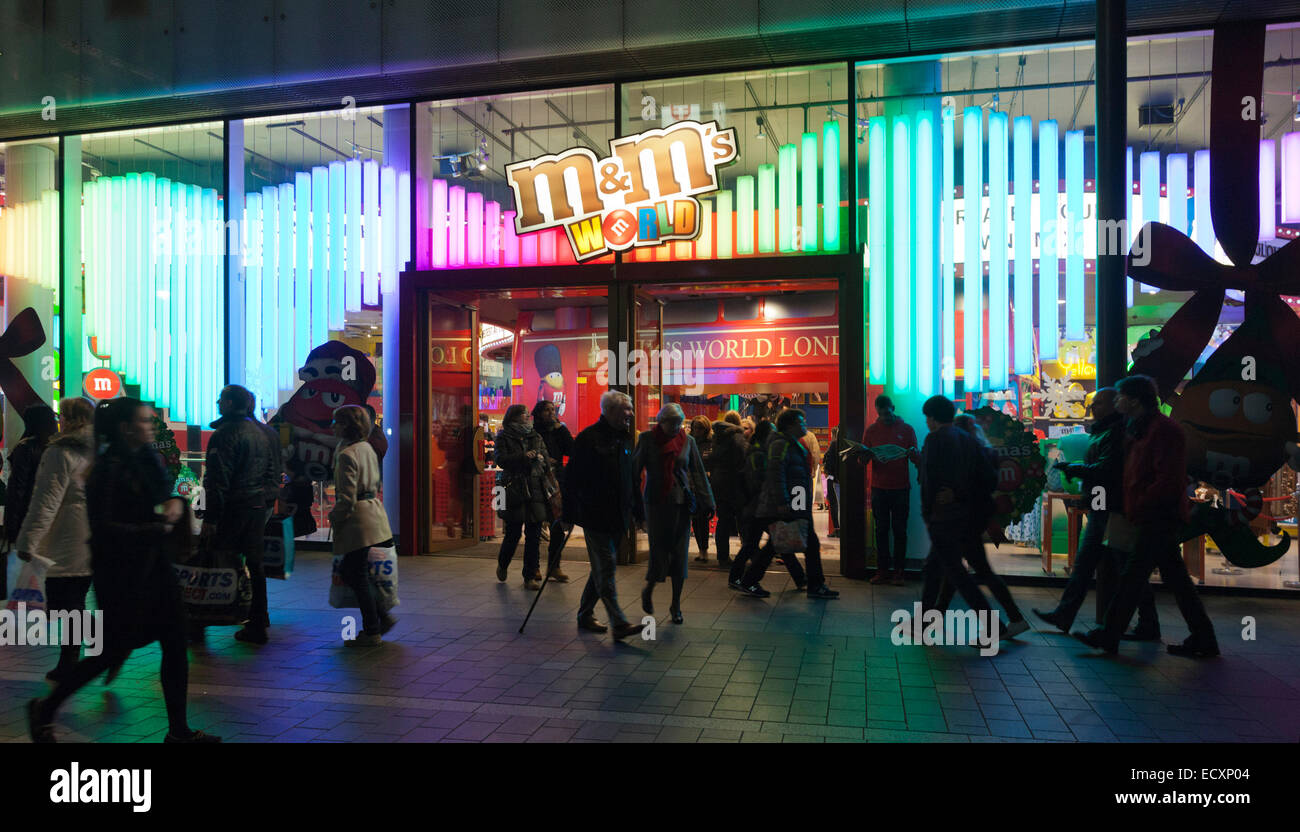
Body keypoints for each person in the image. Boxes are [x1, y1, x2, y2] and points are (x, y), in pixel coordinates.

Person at [28, 397, 221, 743]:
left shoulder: (147, 458)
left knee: (175, 643)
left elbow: (163, 495)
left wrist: (175, 503)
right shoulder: (107, 469)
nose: (151, 426)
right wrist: (158, 527)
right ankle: (46, 707)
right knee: (113, 651)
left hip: (155, 568)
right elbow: (103, 529)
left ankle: (179, 730)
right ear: (125, 428)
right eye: (145, 421)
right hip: (121, 574)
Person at [1076, 375, 1218, 658]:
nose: (1115, 402)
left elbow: (1166, 478)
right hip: (1151, 514)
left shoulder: (1162, 430)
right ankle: (1203, 638)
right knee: (1172, 579)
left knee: (1133, 575)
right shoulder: (1140, 428)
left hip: (1157, 516)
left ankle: (1110, 633)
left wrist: (1140, 504)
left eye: (1119, 397)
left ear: (1132, 399)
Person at [1035, 388, 1160, 639]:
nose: (1093, 407)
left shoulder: (1115, 432)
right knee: (1099, 565)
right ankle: (1070, 615)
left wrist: (1075, 468)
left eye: (1099, 403)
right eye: (1093, 403)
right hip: (1104, 506)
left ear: (1116, 404)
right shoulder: (1107, 430)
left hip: (1110, 508)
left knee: (1117, 567)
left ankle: (1135, 625)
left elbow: (1107, 470)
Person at [15, 398, 97, 683]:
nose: (59, 420)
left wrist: (28, 541)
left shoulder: (60, 451)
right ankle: (84, 656)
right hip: (94, 537)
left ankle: (71, 662)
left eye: (62, 415)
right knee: (77, 600)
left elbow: (46, 501)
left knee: (67, 603)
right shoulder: (101, 449)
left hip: (67, 538)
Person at [931, 414, 1030, 638]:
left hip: (965, 518)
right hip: (973, 517)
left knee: (970, 569)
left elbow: (975, 485)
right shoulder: (983, 451)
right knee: (958, 568)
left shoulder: (970, 454)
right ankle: (936, 616)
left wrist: (953, 494)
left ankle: (1008, 621)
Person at [917, 396, 1006, 646]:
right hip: (964, 516)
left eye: (927, 418)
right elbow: (988, 478)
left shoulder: (935, 439)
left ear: (932, 418)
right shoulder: (968, 439)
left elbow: (929, 481)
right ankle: (923, 622)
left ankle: (994, 626)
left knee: (957, 575)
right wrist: (962, 494)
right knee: (935, 569)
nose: (927, 422)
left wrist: (929, 512)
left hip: (943, 518)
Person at [565, 390, 645, 640]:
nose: (630, 414)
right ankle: (618, 623)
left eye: (631, 409)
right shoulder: (588, 439)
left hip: (618, 517)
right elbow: (571, 479)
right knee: (607, 566)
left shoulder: (625, 439)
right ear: (610, 411)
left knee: (601, 567)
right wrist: (567, 514)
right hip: (595, 515)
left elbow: (630, 481)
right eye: (626, 410)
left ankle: (585, 614)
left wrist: (638, 512)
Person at [200, 385, 276, 645]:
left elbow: (218, 480)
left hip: (233, 507)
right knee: (255, 565)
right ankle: (258, 620)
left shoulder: (225, 433)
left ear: (231, 403)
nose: (217, 403)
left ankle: (202, 619)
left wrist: (211, 518)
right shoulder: (264, 432)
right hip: (256, 506)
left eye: (221, 399)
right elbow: (272, 472)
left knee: (215, 560)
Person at [743, 409, 839, 599]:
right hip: (786, 504)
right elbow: (776, 475)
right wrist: (783, 502)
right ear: (789, 425)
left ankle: (750, 581)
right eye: (800, 422)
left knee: (778, 544)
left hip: (794, 502)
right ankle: (814, 585)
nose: (804, 424)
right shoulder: (781, 444)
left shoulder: (791, 443)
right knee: (799, 543)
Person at [634, 404, 714, 625]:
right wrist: (633, 504)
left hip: (681, 503)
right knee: (659, 551)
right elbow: (635, 470)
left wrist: (707, 501)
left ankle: (675, 605)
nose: (676, 427)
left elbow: (697, 472)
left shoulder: (688, 442)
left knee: (679, 555)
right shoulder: (648, 439)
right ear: (661, 421)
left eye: (679, 423)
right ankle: (648, 588)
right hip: (656, 503)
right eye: (671, 423)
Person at [330, 405, 396, 647]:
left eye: (336, 422)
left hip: (357, 521)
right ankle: (380, 619)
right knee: (358, 573)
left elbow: (346, 497)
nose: (333, 426)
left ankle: (373, 628)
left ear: (346, 425)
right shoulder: (366, 448)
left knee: (354, 573)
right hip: (373, 514)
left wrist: (335, 518)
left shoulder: (347, 454)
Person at [730, 419, 807, 593]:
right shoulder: (759, 453)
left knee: (772, 542)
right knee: (775, 542)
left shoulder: (761, 450)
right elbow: (759, 480)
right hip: (760, 505)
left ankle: (738, 577)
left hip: (761, 505)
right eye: (772, 431)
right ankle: (744, 579)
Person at [493, 404, 554, 590]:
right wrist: (523, 456)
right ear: (513, 417)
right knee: (512, 533)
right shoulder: (504, 436)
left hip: (535, 487)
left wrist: (542, 461)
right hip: (514, 488)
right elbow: (500, 459)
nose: (527, 416)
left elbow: (545, 457)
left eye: (527, 414)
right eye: (523, 414)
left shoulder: (535, 435)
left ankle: (530, 576)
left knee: (534, 535)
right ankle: (503, 563)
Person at [863, 395, 920, 585]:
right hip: (879, 487)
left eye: (888, 413)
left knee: (900, 530)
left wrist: (913, 454)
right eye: (881, 414)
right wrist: (863, 455)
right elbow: (862, 461)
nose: (885, 418)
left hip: (900, 487)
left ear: (893, 408)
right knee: (881, 531)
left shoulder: (907, 429)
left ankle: (899, 572)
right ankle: (882, 570)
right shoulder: (871, 431)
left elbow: (916, 458)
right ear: (877, 412)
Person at [4, 404, 59, 549]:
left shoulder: (26, 448)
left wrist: (12, 527)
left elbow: (17, 490)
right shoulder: (55, 448)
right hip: (47, 517)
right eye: (53, 419)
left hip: (28, 517)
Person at [532, 400, 572, 583]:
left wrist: (561, 429)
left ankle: (554, 566)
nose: (550, 413)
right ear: (538, 413)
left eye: (552, 410)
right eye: (546, 410)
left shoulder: (558, 431)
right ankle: (533, 568)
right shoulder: (532, 431)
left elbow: (572, 450)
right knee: (535, 525)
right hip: (537, 481)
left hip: (557, 481)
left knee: (558, 526)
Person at [707, 410, 748, 566]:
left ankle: (722, 557)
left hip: (719, 484)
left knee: (723, 521)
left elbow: (711, 460)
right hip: (736, 484)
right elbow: (743, 459)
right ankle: (747, 553)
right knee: (743, 520)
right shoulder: (738, 437)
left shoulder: (717, 438)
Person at [688, 415, 718, 564]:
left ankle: (704, 550)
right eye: (695, 428)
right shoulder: (690, 442)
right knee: (696, 519)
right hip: (692, 485)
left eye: (699, 428)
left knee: (704, 518)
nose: (696, 431)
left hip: (707, 485)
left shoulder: (711, 443)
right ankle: (701, 550)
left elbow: (715, 462)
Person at [822, 425, 845, 537]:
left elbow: (828, 461)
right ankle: (839, 529)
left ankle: (838, 529)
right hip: (841, 479)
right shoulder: (844, 445)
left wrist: (829, 475)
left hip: (834, 479)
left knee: (836, 504)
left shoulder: (834, 444)